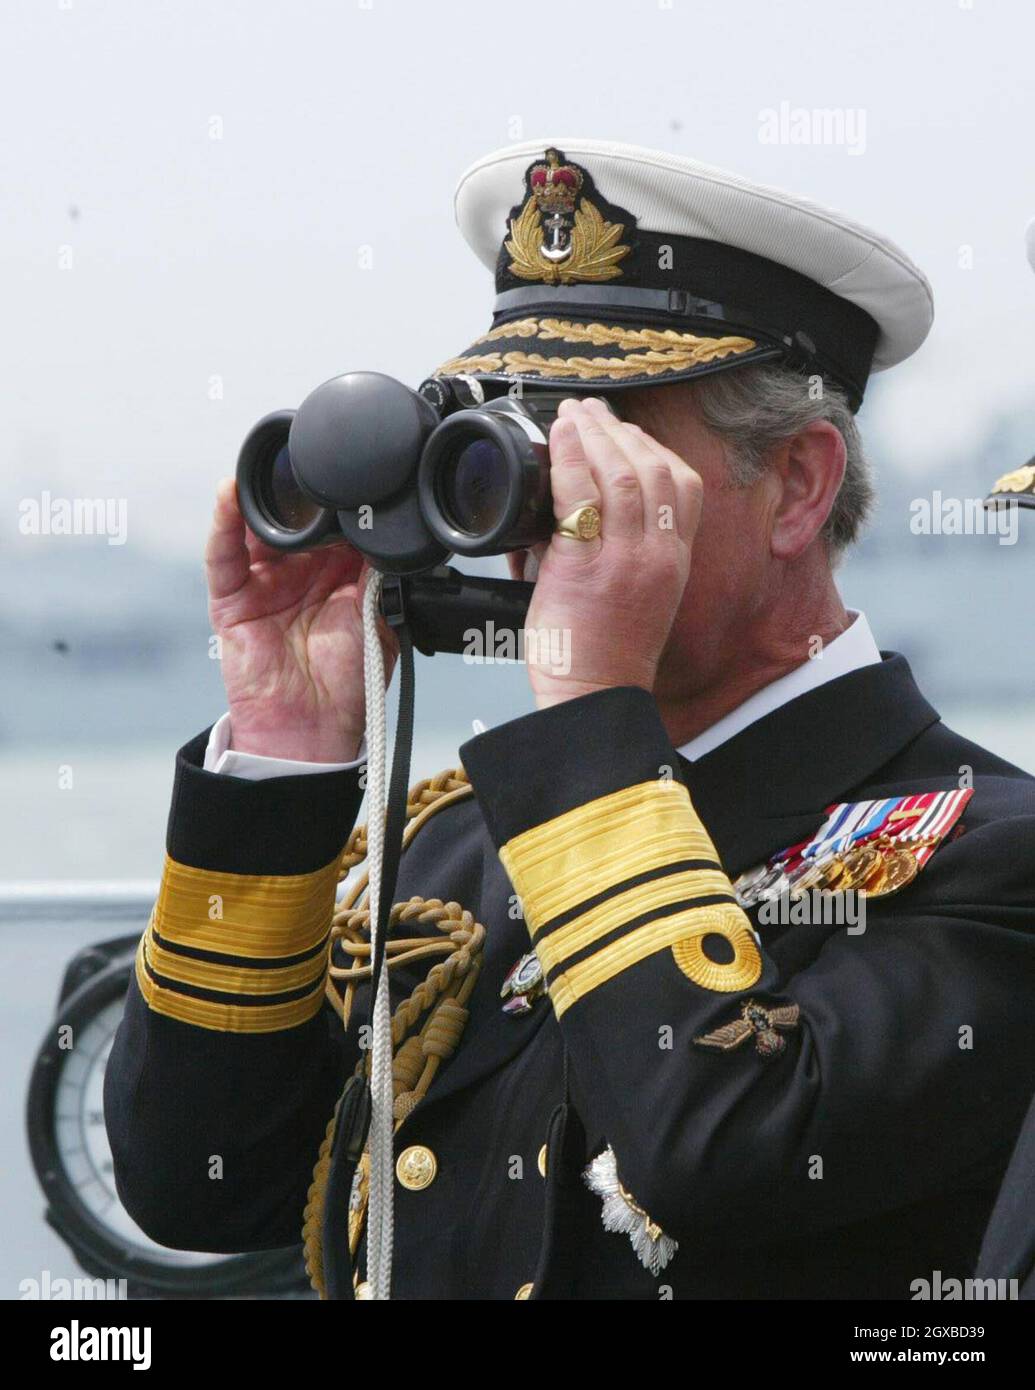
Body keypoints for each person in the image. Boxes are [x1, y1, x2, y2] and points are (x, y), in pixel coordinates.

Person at [104, 140, 1035, 1300]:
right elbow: (196, 1183)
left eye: (603, 450)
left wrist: (592, 708)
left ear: (796, 484)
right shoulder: (463, 853)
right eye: (517, 444)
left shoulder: (987, 860)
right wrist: (288, 755)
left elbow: (719, 1154)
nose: (538, 513)